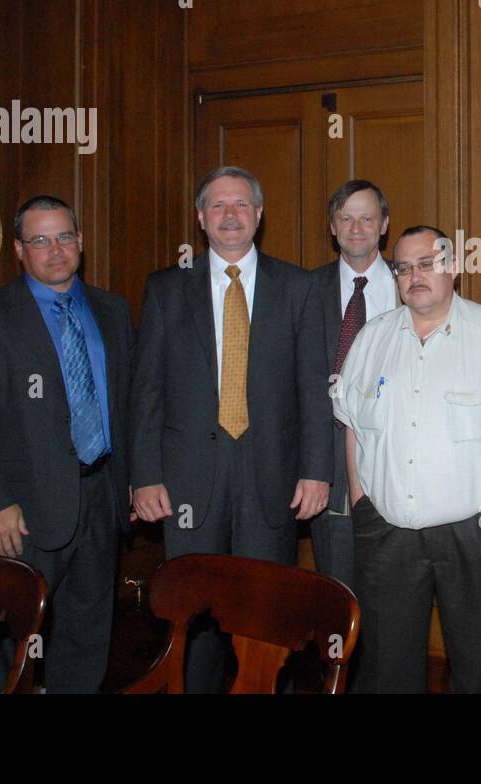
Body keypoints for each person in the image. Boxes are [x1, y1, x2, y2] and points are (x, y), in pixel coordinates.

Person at [129, 166, 332, 693]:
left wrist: (316, 471)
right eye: (218, 206)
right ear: (201, 218)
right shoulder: (166, 289)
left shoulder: (299, 286)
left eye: (241, 204)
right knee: (193, 615)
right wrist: (145, 475)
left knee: (267, 616)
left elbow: (314, 388)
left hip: (272, 478)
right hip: (188, 482)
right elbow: (146, 392)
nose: (230, 215)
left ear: (259, 215)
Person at [0, 195, 133, 693]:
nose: (55, 250)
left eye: (64, 237)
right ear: (19, 251)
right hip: (19, 511)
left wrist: (129, 485)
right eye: (40, 240)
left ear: (81, 243)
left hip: (100, 496)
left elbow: (128, 405)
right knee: (7, 641)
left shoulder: (113, 310)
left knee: (87, 633)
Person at [333, 226, 481, 693]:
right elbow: (353, 425)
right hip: (387, 532)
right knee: (386, 668)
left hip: (477, 532)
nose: (414, 275)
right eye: (404, 268)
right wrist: (361, 501)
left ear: (454, 267)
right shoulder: (371, 338)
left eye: (428, 263)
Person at [308, 179, 398, 592]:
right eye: (346, 218)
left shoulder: (411, 286)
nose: (356, 227)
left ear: (383, 226)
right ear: (332, 226)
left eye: (367, 218)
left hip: (400, 464)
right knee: (338, 594)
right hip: (327, 469)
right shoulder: (304, 290)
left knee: (396, 595)